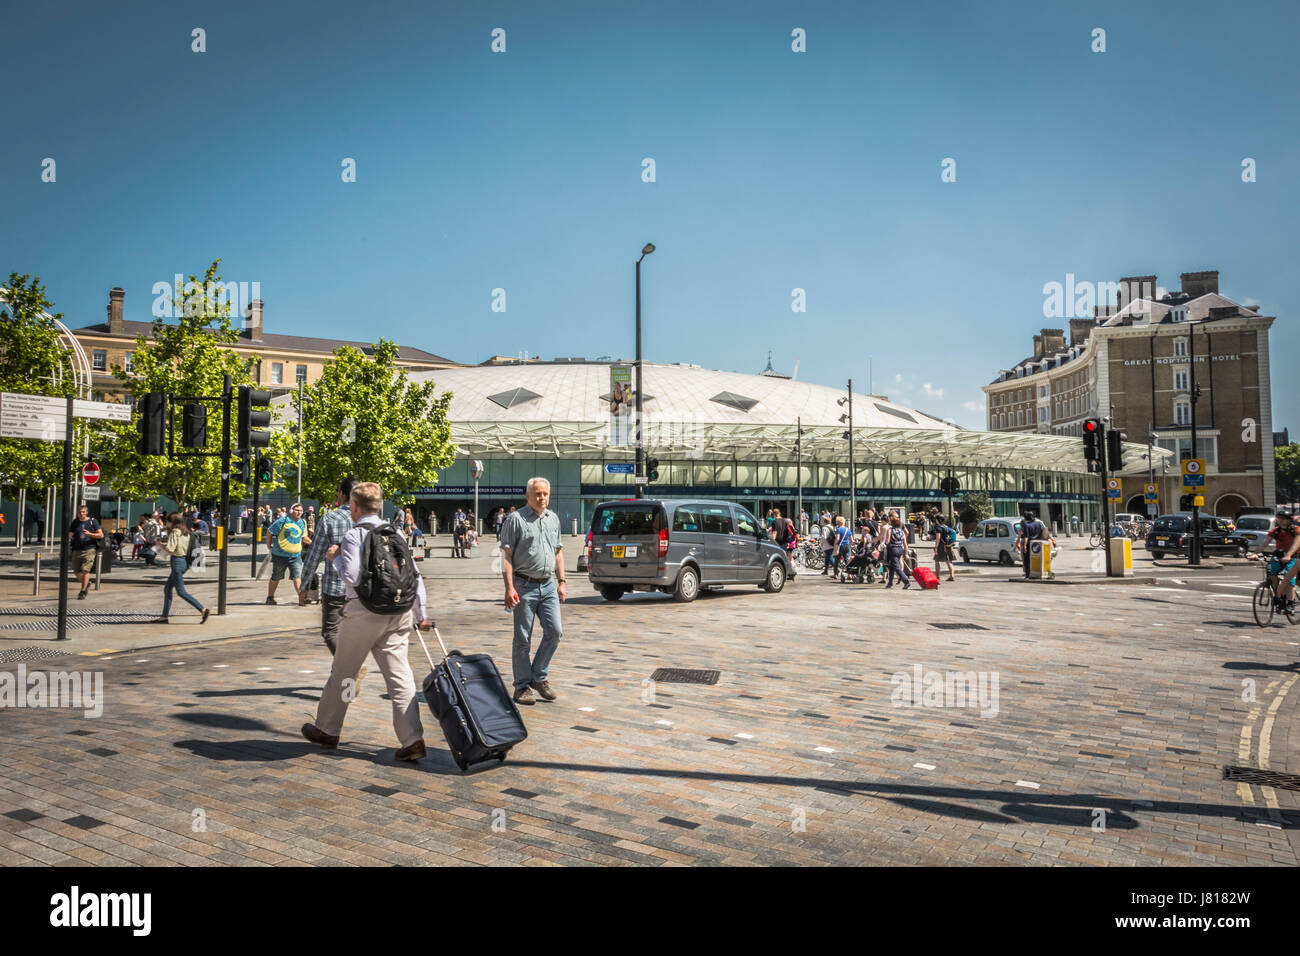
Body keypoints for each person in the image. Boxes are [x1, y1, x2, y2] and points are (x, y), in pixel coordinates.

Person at [301, 482, 430, 762]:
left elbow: (352, 577)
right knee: (400, 676)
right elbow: (414, 575)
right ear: (380, 505)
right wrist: (422, 614)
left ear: (354, 507)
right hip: (399, 611)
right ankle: (412, 739)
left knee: (344, 673)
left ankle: (328, 729)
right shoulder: (395, 532)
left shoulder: (354, 535)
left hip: (364, 612)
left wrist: (334, 558)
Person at [500, 477, 565, 705]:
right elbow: (507, 557)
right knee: (522, 639)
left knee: (555, 632)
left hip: (547, 585)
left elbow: (558, 552)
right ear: (528, 496)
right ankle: (522, 687)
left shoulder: (553, 519)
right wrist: (509, 588)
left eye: (545, 494)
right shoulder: (515, 520)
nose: (542, 498)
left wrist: (562, 581)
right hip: (523, 586)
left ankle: (538, 676)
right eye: (537, 494)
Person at [149, 513, 210, 623]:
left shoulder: (174, 532)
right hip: (184, 562)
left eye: (167, 521)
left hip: (177, 562)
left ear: (172, 522)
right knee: (167, 589)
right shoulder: (185, 531)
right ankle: (164, 616)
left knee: (181, 592)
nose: (166, 523)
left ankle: (202, 609)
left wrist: (159, 544)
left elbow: (171, 549)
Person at [266, 502, 310, 605]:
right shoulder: (283, 521)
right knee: (276, 577)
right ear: (291, 511)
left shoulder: (303, 522)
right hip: (280, 555)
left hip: (296, 556)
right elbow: (269, 532)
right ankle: (270, 597)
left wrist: (314, 543)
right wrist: (269, 546)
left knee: (297, 577)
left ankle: (302, 598)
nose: (299, 512)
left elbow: (304, 537)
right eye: (296, 510)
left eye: (300, 510)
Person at [66, 504, 104, 600]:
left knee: (85, 570)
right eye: (79, 512)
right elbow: (70, 535)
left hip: (89, 549)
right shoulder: (75, 522)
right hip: (77, 549)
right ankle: (87, 583)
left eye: (83, 512)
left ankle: (83, 591)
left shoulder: (92, 521)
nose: (81, 513)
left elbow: (101, 535)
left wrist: (90, 534)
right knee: (77, 572)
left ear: (86, 512)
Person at [1267, 510, 1299, 606]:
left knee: (1288, 577)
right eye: (1278, 518)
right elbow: (1265, 543)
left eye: (1283, 519)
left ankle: (1290, 603)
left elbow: (1296, 544)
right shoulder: (1275, 531)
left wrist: (1289, 555)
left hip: (1295, 556)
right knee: (1271, 573)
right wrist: (1255, 553)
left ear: (1289, 520)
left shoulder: (1296, 530)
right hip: (1280, 556)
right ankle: (1280, 595)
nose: (1280, 520)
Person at [883, 513, 911, 589]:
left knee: (896, 567)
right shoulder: (902, 531)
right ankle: (890, 583)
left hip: (893, 549)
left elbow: (888, 541)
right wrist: (906, 553)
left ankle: (906, 581)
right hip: (900, 549)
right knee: (892, 566)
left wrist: (884, 543)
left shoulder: (890, 530)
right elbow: (905, 544)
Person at [1017, 510, 1046, 579]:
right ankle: (1036, 572)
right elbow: (1044, 531)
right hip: (1037, 544)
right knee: (1036, 559)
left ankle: (1028, 574)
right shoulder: (1038, 523)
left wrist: (1024, 546)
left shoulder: (1026, 525)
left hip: (1029, 543)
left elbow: (1026, 537)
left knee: (1027, 560)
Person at [933, 514, 957, 582]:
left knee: (937, 560)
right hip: (948, 545)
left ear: (937, 520)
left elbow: (938, 537)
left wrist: (936, 547)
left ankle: (937, 576)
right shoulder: (946, 527)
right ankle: (952, 576)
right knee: (949, 561)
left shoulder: (938, 527)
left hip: (941, 546)